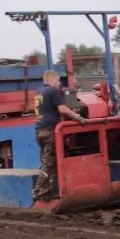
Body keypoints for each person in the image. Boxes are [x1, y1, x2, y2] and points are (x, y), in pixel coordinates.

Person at [33, 70, 87, 200]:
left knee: (47, 162)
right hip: (50, 132)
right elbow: (62, 109)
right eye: (58, 81)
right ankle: (39, 192)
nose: (59, 84)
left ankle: (47, 192)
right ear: (52, 80)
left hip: (39, 131)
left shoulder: (39, 91)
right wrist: (77, 116)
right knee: (49, 164)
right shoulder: (52, 91)